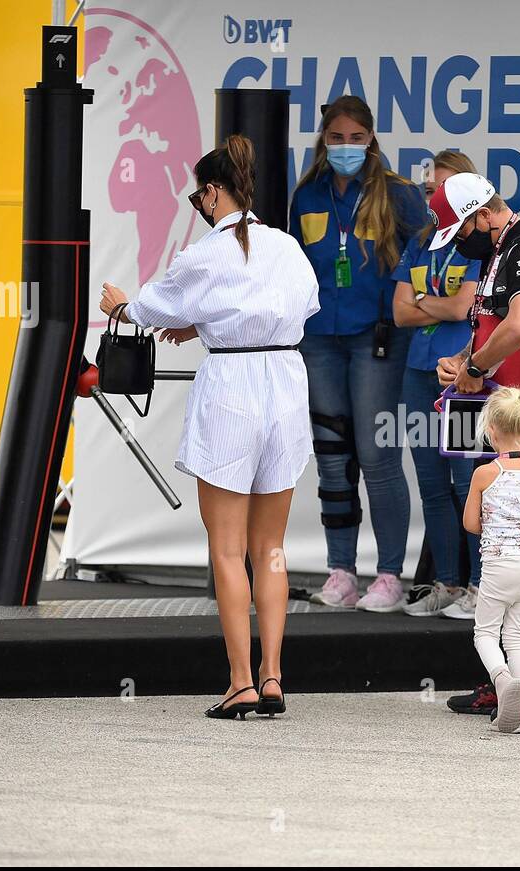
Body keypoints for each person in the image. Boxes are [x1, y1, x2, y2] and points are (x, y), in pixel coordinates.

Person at [98, 135, 319, 720]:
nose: (199, 203)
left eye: (201, 194)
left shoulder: (205, 254)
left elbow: (151, 309)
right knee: (270, 548)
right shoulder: (286, 248)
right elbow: (297, 308)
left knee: (226, 549)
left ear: (214, 192)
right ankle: (274, 676)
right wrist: (212, 323)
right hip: (285, 382)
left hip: (232, 388)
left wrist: (120, 305)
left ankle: (240, 681)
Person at [430, 173, 520, 724]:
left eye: (461, 231)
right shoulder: (500, 253)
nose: (459, 242)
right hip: (500, 419)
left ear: (484, 214)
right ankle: (504, 679)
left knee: (519, 553)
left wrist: (476, 368)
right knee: (502, 554)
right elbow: (491, 327)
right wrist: (463, 364)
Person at [289, 95, 428, 612]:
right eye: (336, 137)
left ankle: (389, 575)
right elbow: (297, 266)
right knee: (332, 459)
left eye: (355, 137)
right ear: (323, 141)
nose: (346, 146)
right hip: (319, 341)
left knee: (377, 458)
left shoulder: (398, 195)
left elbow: (423, 261)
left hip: (379, 343)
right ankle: (341, 571)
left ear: (371, 139)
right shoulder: (306, 195)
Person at [391, 150, 482, 617]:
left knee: (467, 483)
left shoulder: (478, 243)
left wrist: (425, 299)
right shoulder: (421, 242)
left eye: (444, 189)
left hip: (463, 375)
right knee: (431, 483)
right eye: (430, 190)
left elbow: (466, 308)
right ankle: (446, 582)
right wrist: (436, 302)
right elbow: (398, 312)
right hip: (417, 374)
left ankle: (479, 586)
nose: (435, 198)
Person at [463, 387, 520, 734]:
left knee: (485, 634)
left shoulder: (484, 475)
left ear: (490, 431)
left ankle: (503, 683)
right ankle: (518, 717)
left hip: (497, 568)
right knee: (517, 635)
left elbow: (471, 524)